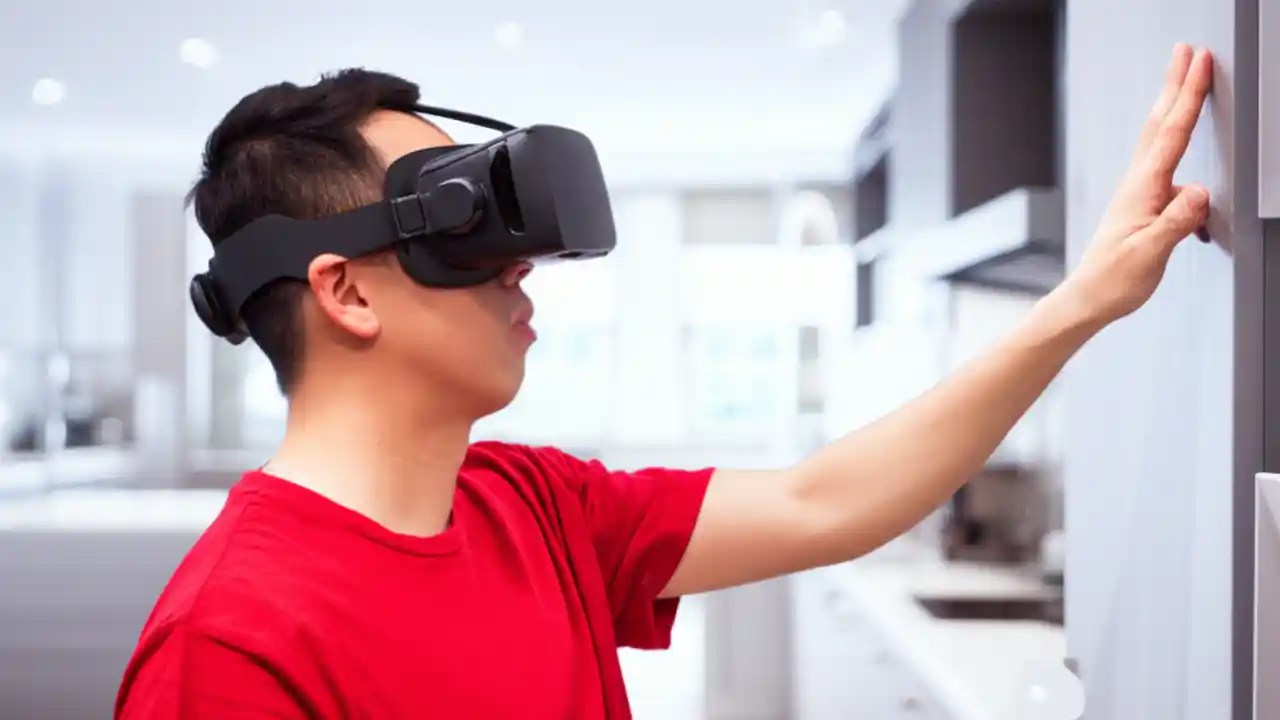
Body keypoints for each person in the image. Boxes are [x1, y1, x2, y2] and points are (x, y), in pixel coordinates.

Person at [116, 43, 1214, 719]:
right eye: (459, 222)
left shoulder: (534, 507)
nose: (520, 263)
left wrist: (1080, 304)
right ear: (344, 293)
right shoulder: (230, 646)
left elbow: (818, 501)